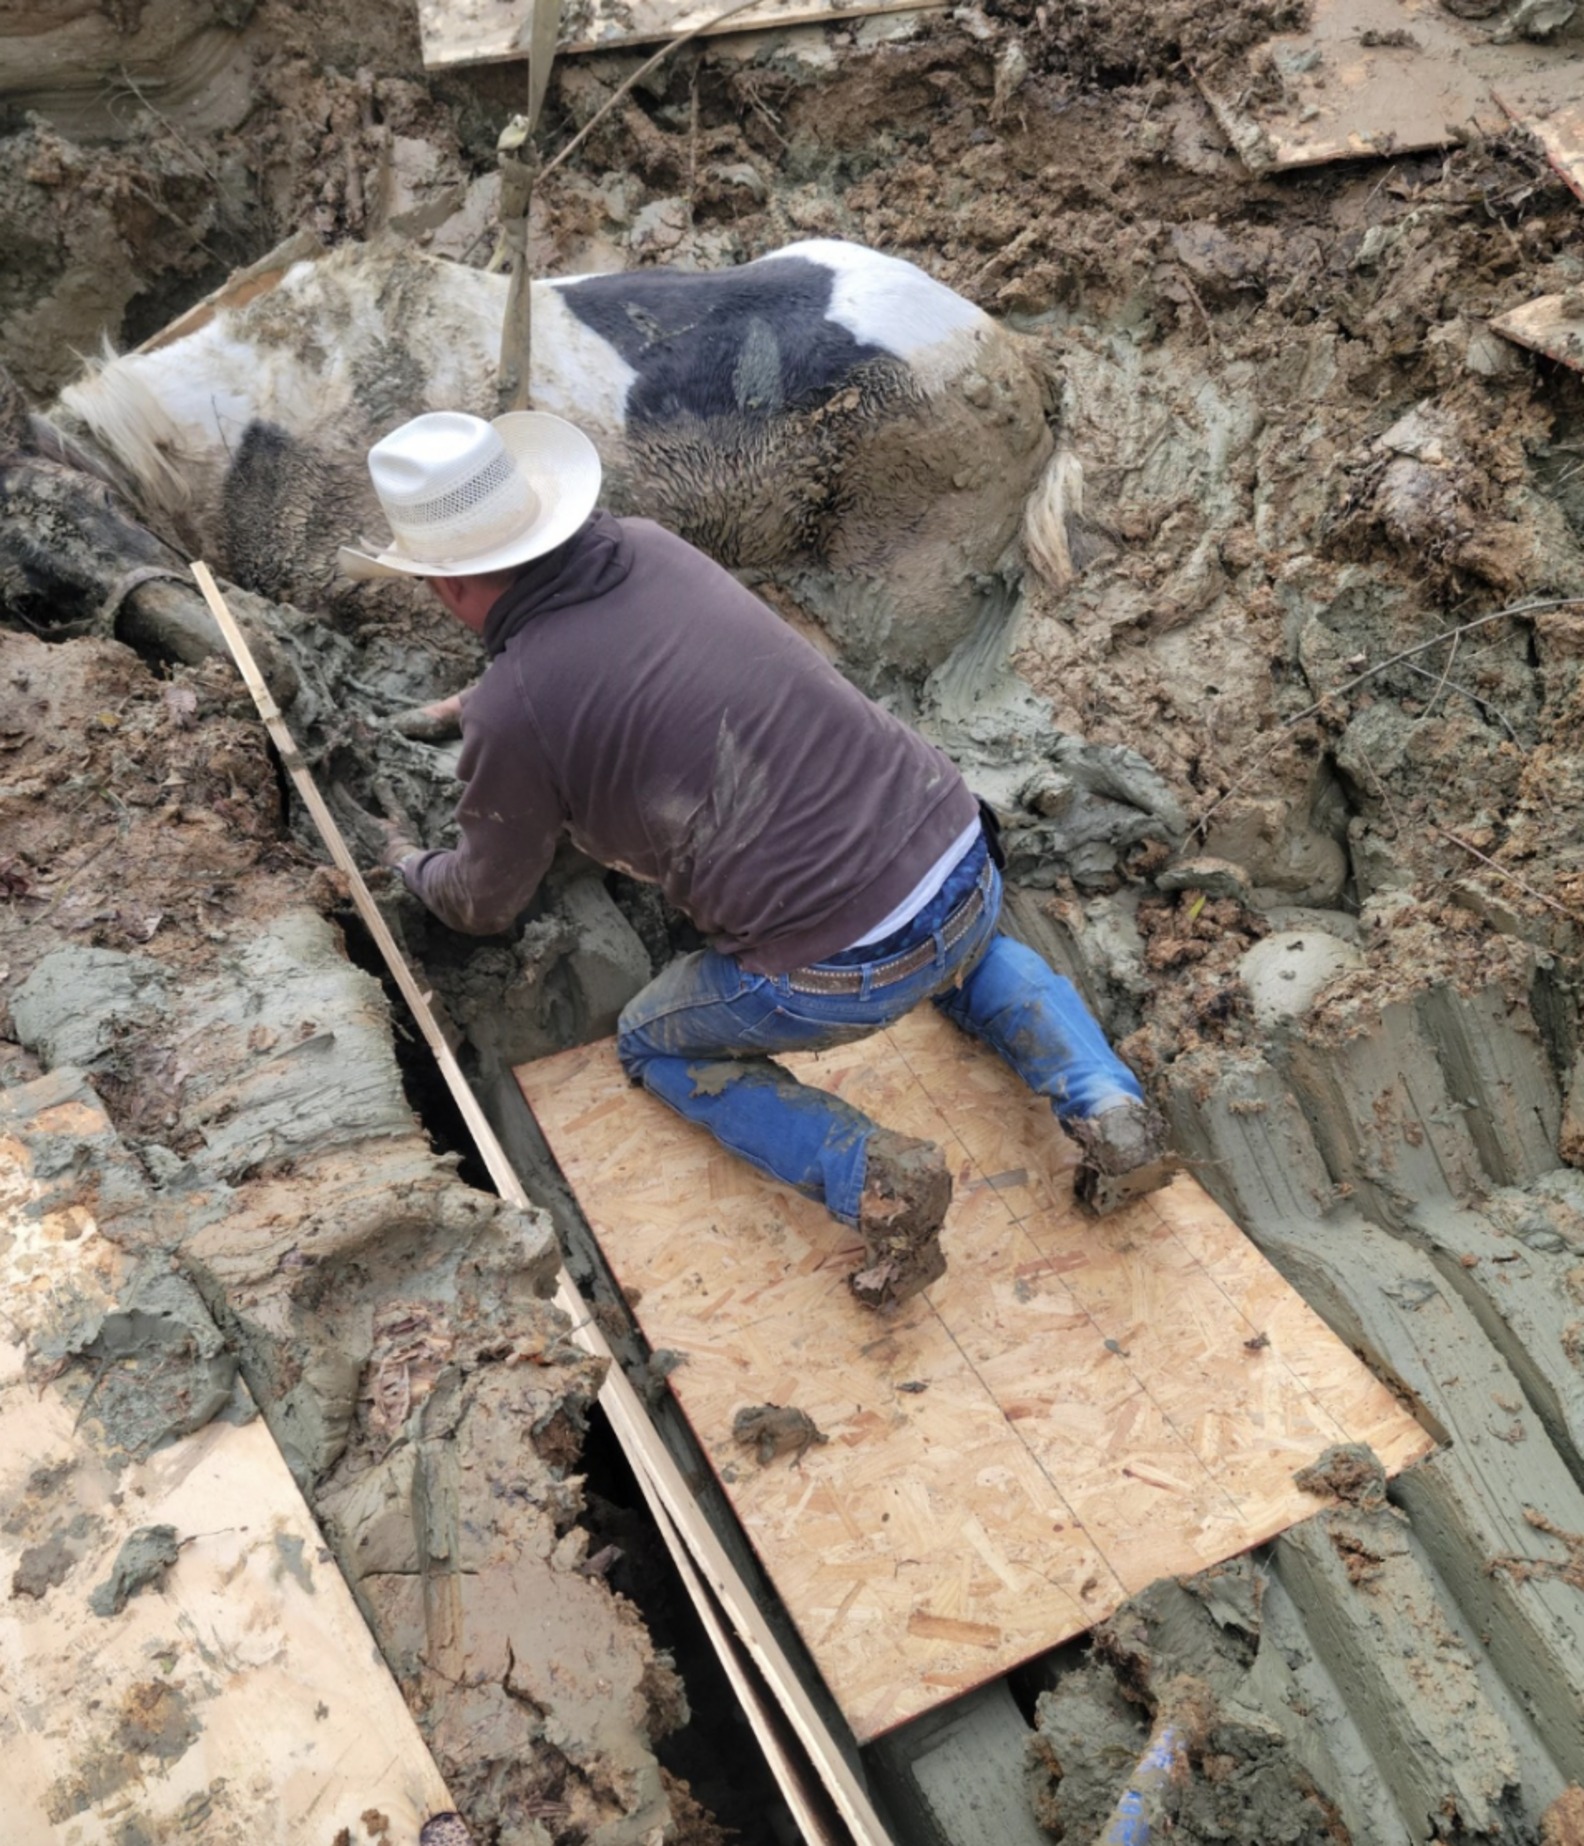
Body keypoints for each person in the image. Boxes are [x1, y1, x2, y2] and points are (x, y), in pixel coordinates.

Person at [342, 409, 1174, 1312]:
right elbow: (634, 665)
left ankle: (873, 1176)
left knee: (652, 1041)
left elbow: (483, 899)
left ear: (447, 586)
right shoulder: (651, 549)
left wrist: (403, 859)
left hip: (836, 967)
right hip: (961, 853)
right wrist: (489, 703)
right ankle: (1109, 1109)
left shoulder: (518, 708)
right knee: (960, 956)